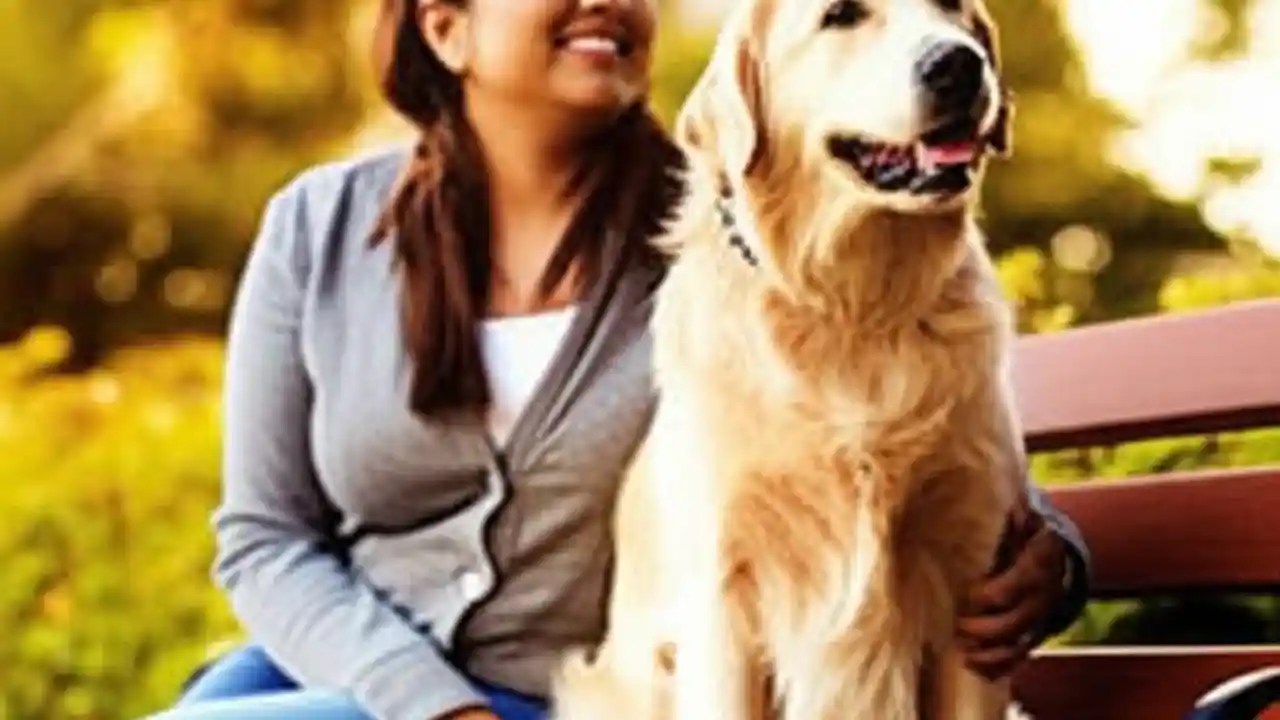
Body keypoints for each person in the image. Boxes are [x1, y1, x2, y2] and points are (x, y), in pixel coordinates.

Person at [151, 0, 1091, 718]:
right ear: (447, 28)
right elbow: (266, 538)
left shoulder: (744, 231)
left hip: (565, 692)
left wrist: (1057, 552)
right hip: (339, 665)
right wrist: (430, 703)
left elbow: (886, 412)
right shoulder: (316, 228)